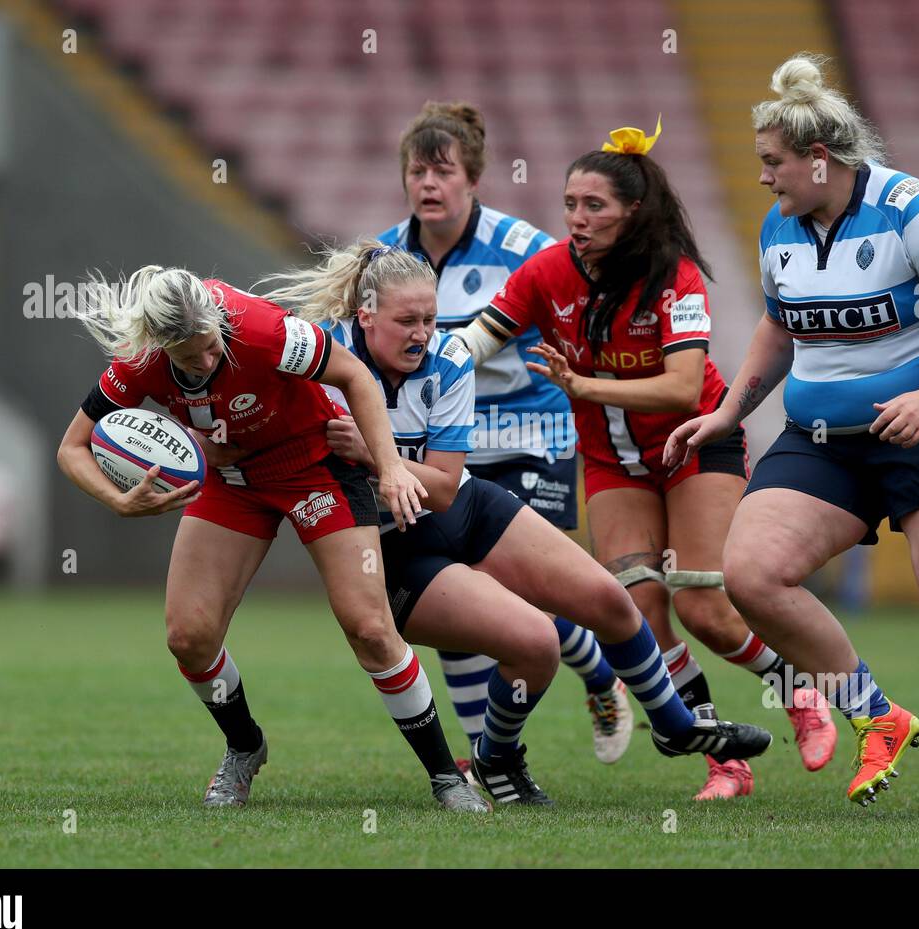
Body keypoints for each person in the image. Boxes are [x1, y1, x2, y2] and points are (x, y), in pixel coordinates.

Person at [259, 241, 774, 805]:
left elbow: (443, 486)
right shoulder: (320, 363)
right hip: (389, 548)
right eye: (406, 321)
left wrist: (372, 453)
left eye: (429, 318)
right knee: (536, 644)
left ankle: (674, 726)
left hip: (461, 507)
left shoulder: (449, 359)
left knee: (610, 600)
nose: (422, 333)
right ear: (365, 317)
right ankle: (498, 759)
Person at [665, 54, 919, 822]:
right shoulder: (781, 226)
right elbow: (779, 324)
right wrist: (731, 411)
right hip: (822, 437)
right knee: (752, 573)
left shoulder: (915, 209)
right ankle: (878, 715)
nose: (763, 178)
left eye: (773, 163)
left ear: (820, 159)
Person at [449, 117, 837, 800]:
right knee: (639, 618)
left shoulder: (673, 275)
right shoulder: (546, 271)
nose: (576, 218)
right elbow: (479, 339)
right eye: (570, 203)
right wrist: (417, 373)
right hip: (611, 460)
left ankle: (800, 694)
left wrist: (583, 385)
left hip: (695, 443)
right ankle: (726, 763)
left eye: (593, 205)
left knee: (708, 612)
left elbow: (684, 386)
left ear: (633, 210)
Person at [56, 265, 487, 813]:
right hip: (235, 482)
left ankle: (445, 776)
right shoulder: (139, 362)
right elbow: (72, 448)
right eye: (192, 358)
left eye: (213, 347)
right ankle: (244, 747)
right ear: (161, 348)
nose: (209, 362)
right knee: (188, 634)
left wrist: (391, 467)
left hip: (316, 468)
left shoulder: (261, 330)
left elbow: (355, 376)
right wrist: (118, 500)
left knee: (371, 628)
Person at [378, 101, 633, 767]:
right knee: (458, 599)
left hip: (528, 437)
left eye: (442, 171)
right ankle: (476, 755)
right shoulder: (382, 258)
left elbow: (579, 321)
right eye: (416, 171)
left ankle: (602, 679)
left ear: (474, 180)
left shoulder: (525, 251)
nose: (428, 184)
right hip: (440, 455)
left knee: (522, 591)